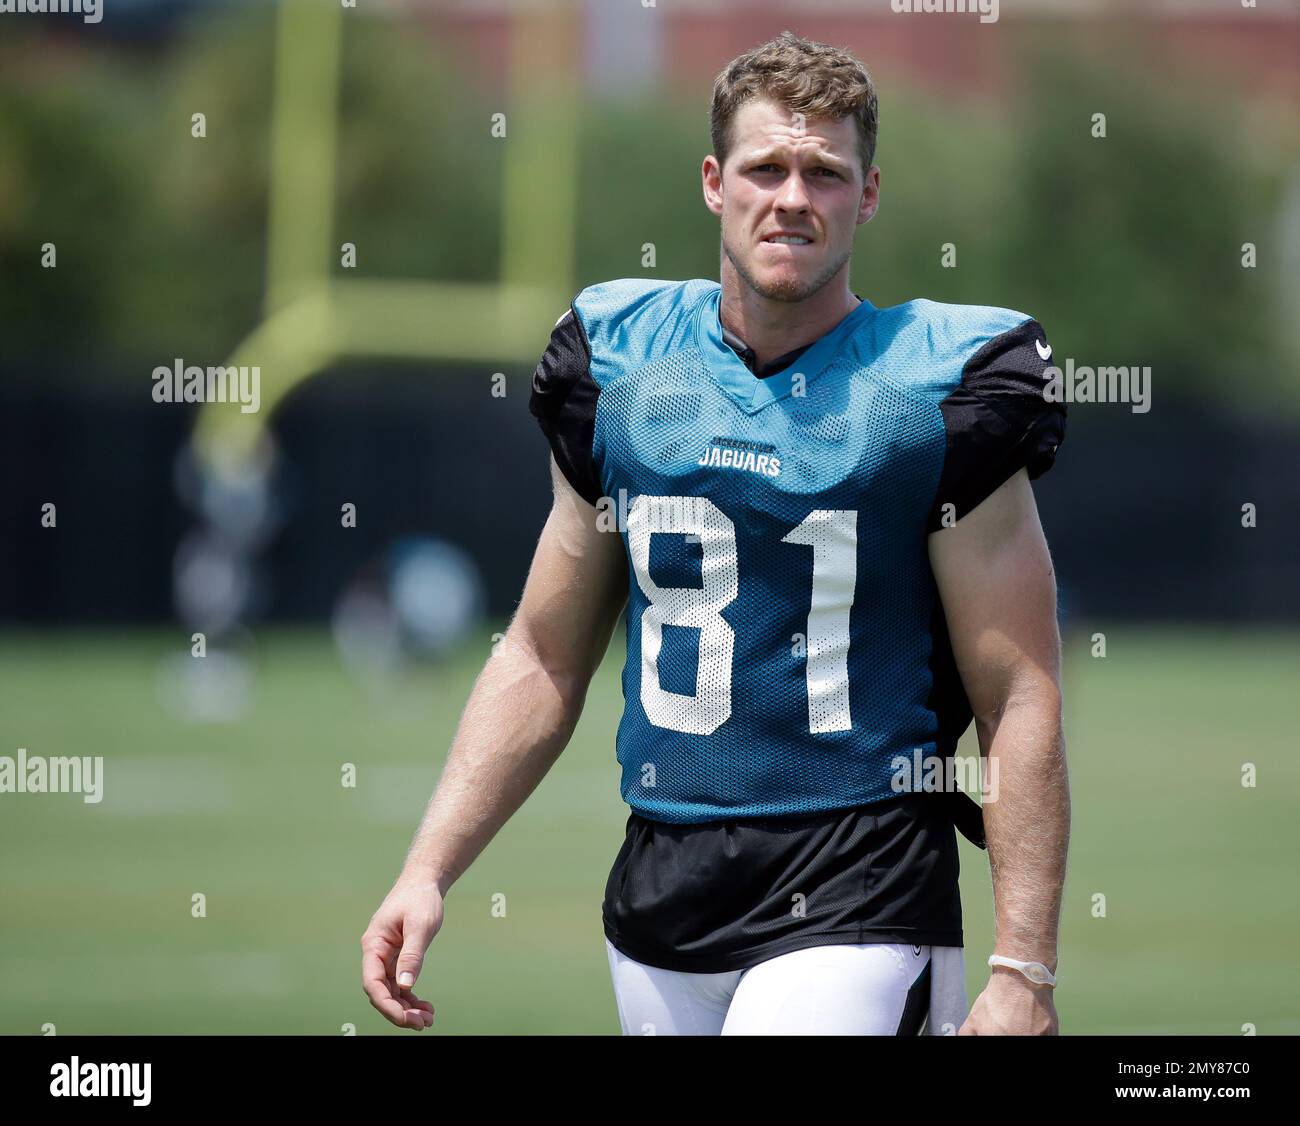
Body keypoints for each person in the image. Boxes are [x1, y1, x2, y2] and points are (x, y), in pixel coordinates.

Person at [361, 30, 1069, 1036]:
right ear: (712, 181)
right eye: (765, 168)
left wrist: (1024, 967)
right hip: (660, 886)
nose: (792, 197)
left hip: (857, 871)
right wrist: (426, 869)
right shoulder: (620, 364)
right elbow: (542, 651)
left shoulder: (934, 389)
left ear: (867, 195)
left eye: (825, 173)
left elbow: (1018, 689)